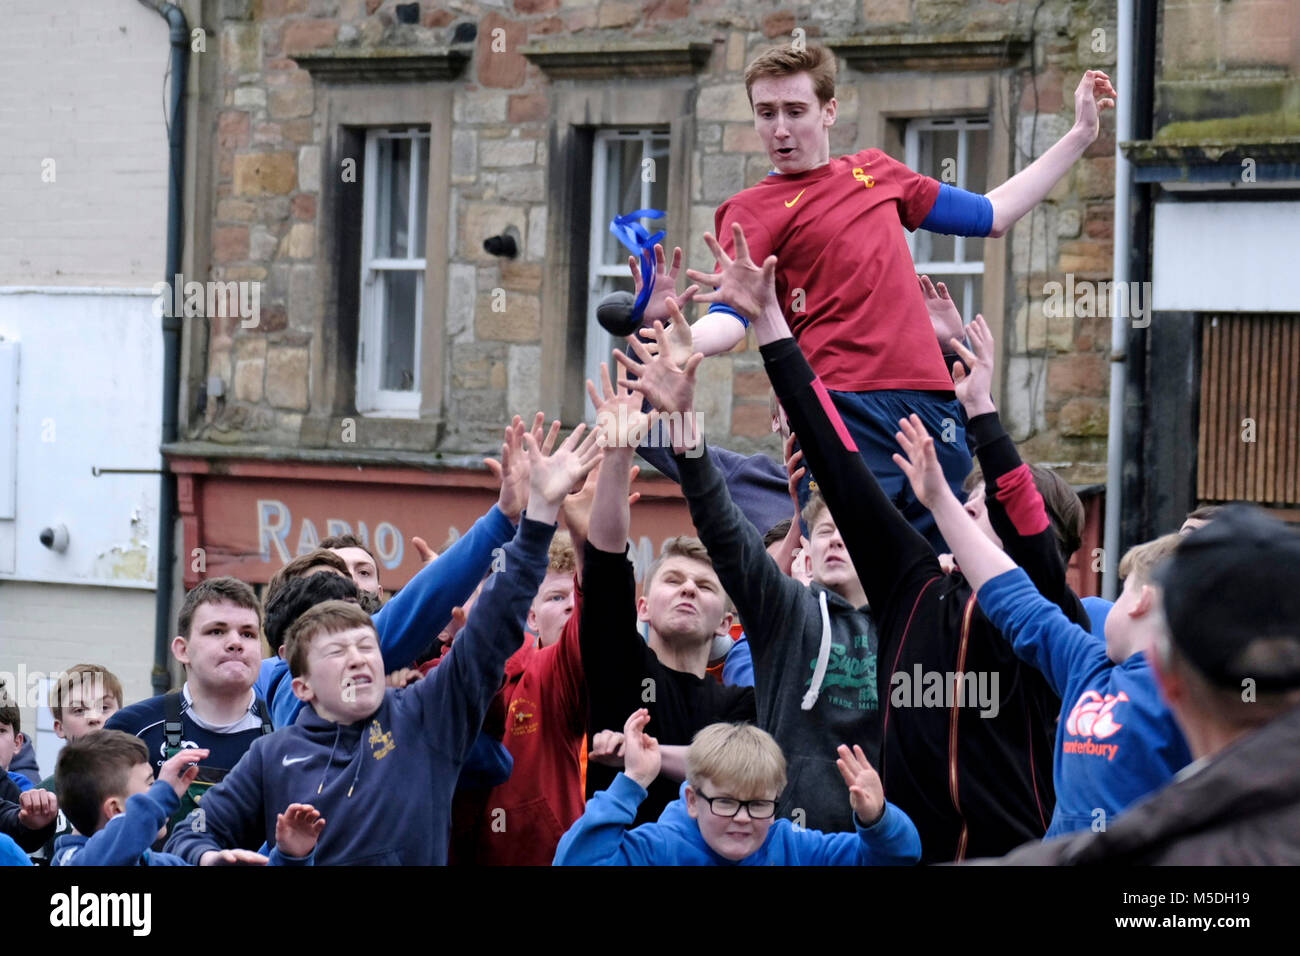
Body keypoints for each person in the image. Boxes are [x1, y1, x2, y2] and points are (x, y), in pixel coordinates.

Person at [647, 225, 1090, 860]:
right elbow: (838, 464)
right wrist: (771, 319)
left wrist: (982, 415)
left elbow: (1032, 542)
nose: (966, 510)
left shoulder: (1050, 620)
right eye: (965, 500)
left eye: (982, 506)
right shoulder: (913, 586)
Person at [640, 45, 1115, 549]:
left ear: (829, 111)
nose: (780, 128)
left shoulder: (877, 172)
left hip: (931, 407)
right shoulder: (751, 209)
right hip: (844, 411)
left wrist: (1081, 134)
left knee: (948, 572)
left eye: (795, 111)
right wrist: (684, 340)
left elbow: (992, 215)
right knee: (856, 567)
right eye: (766, 113)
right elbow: (733, 314)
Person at [165, 419, 603, 865]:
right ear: (302, 685)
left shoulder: (426, 715)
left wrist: (537, 519)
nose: (358, 659)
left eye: (367, 646)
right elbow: (191, 833)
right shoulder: (272, 755)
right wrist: (206, 857)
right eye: (337, 652)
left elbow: (494, 623)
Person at [884, 457, 1300, 862]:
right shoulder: (1089, 662)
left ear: (1174, 682)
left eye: (1125, 590)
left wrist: (943, 498)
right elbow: (1017, 600)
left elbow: (1018, 596)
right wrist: (944, 499)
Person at [253, 417, 547, 731]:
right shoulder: (281, 698)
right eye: (322, 611)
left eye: (353, 589)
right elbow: (408, 616)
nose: (350, 589)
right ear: (288, 654)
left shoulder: (406, 681)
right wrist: (505, 521)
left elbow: (492, 763)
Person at [581, 378, 756, 825]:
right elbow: (606, 566)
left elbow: (735, 765)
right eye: (673, 580)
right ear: (642, 608)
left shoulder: (740, 705)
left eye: (705, 585)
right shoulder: (621, 665)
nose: (688, 589)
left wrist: (642, 755)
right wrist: (618, 454)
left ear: (726, 623)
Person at [554, 708, 919, 866]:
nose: (743, 818)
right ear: (693, 800)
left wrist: (878, 819)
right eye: (726, 802)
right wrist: (632, 782)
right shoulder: (660, 848)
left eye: (759, 804)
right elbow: (575, 860)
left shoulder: (791, 845)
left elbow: (897, 858)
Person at [105, 577, 273, 834]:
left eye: (248, 634)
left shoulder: (284, 729)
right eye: (216, 631)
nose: (235, 642)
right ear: (182, 650)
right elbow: (92, 840)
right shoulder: (131, 729)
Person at [51, 730, 319, 866]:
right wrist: (165, 793)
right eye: (151, 784)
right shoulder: (74, 859)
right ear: (116, 809)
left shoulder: (154, 861)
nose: (161, 791)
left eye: (157, 784)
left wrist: (290, 856)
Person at [32, 664, 125, 862]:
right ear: (59, 727)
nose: (94, 718)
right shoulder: (44, 796)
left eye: (104, 708)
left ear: (122, 714)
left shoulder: (144, 788)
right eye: (79, 710)